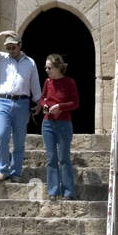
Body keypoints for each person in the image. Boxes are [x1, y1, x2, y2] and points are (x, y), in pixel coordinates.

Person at [0, 30, 41, 182]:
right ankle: (4, 170)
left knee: (19, 140)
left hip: (22, 103)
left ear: (20, 45)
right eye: (8, 47)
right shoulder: (2, 58)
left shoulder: (30, 62)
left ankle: (16, 172)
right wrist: (2, 34)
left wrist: (39, 103)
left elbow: (34, 84)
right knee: (1, 136)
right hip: (4, 102)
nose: (10, 50)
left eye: (13, 47)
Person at [37, 53, 79, 199]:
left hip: (63, 123)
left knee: (64, 158)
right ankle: (53, 191)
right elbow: (42, 99)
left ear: (57, 68)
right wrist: (46, 105)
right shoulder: (48, 82)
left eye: (49, 67)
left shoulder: (69, 82)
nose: (46, 70)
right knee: (51, 158)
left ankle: (68, 192)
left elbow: (75, 102)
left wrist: (60, 106)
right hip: (47, 122)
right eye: (45, 67)